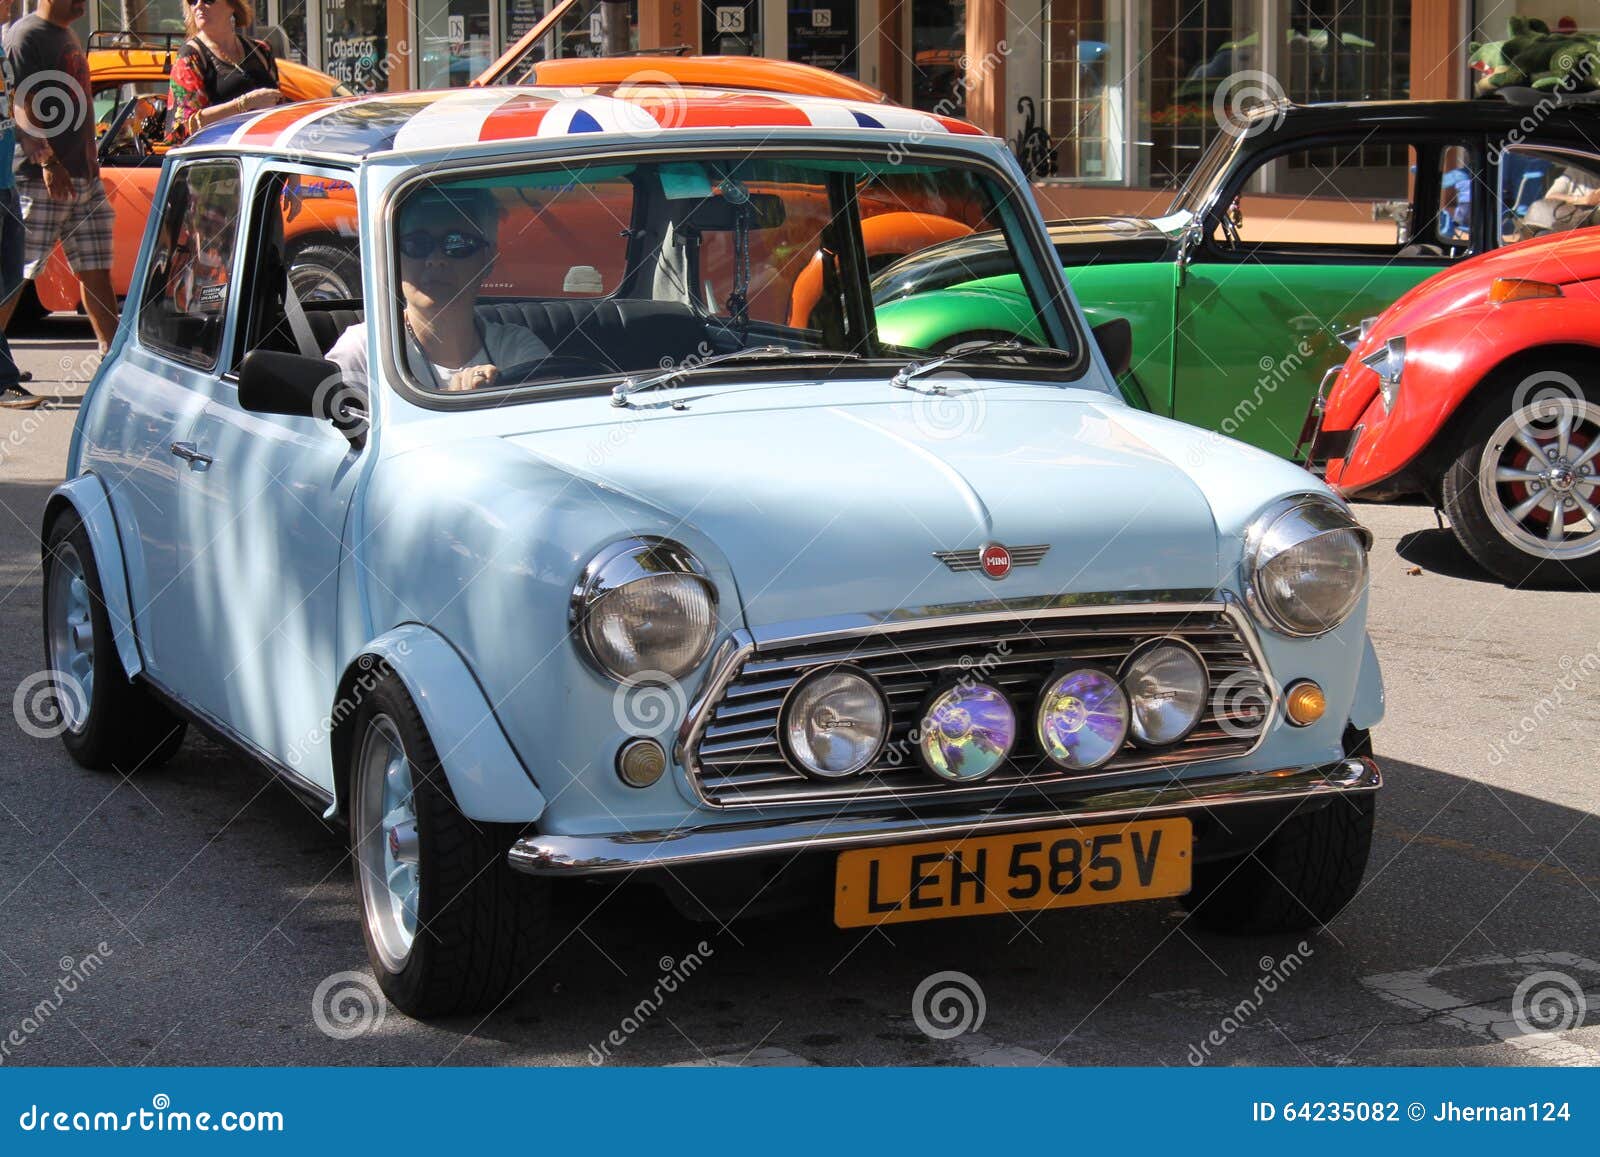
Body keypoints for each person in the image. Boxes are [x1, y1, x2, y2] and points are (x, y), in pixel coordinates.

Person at [326, 187, 549, 393]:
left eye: (457, 243)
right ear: (394, 256)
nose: (435, 259)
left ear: (488, 259)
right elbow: (335, 433)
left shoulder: (517, 348)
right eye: (416, 244)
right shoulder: (363, 351)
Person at [0, 0, 119, 356]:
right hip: (42, 178)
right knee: (17, 273)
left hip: (81, 176)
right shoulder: (25, 35)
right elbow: (20, 102)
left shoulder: (64, 34)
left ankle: (112, 357)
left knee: (95, 267)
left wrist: (87, 161)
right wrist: (48, 161)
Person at [166, 0, 284, 143]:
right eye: (192, 1)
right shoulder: (191, 57)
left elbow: (279, 103)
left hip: (264, 151)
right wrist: (244, 104)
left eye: (208, 0)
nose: (198, 6)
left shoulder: (260, 50)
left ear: (232, 5)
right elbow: (182, 128)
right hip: (220, 159)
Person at [0, 0, 38, 408]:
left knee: (11, 280)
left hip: (5, 180)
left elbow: (10, 106)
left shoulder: (1, 49)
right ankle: (3, 378)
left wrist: (29, 140)